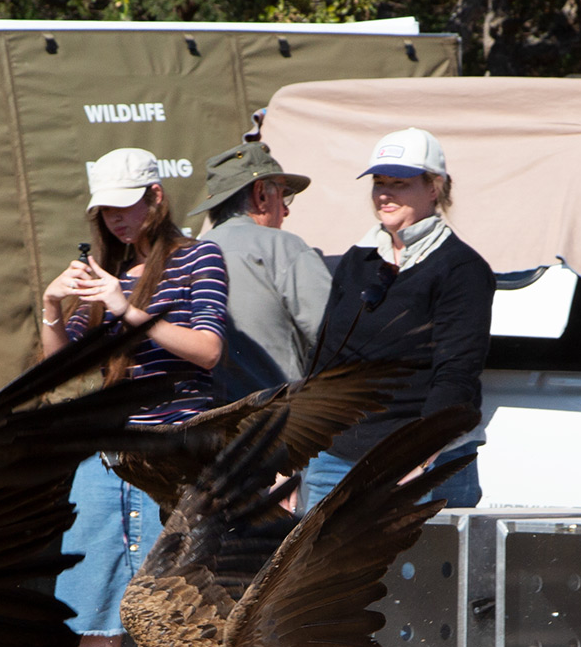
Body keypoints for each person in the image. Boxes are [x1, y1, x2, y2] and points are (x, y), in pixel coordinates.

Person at [32, 147, 228, 647]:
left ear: (156, 197)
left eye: (126, 205)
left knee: (186, 618)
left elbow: (208, 349)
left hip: (175, 453)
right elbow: (61, 376)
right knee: (95, 616)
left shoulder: (199, 256)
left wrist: (129, 308)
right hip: (106, 454)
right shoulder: (105, 271)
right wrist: (55, 310)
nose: (117, 220)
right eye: (105, 210)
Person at [301, 127, 492, 511]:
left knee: (418, 572)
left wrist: (417, 457)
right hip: (334, 459)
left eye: (399, 183)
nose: (385, 193)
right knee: (321, 571)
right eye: (378, 182)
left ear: (434, 187)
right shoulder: (358, 259)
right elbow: (324, 361)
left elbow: (455, 373)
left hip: (420, 463)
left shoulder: (462, 268)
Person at [190, 143, 331, 402]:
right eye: (283, 194)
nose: (286, 209)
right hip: (279, 416)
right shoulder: (283, 246)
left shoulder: (186, 256)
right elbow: (333, 334)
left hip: (205, 423)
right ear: (261, 195)